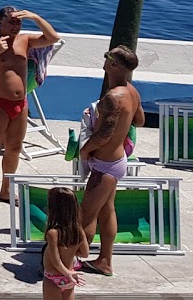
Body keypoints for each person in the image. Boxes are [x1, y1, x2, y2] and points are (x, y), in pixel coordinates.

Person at [0, 6, 60, 211]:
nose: (16, 25)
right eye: (11, 21)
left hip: (20, 103)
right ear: (1, 22)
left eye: (18, 21)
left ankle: (5, 191)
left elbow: (53, 37)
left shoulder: (26, 40)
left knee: (14, 149)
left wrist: (35, 16)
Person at [78, 45, 142, 278]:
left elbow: (103, 134)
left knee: (86, 214)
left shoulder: (112, 97)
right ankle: (104, 261)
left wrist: (85, 150)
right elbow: (140, 120)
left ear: (114, 65)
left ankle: (70, 260)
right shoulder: (131, 92)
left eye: (107, 56)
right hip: (118, 160)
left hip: (104, 165)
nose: (104, 60)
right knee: (106, 210)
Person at [42, 186, 87, 297]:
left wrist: (67, 273)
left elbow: (56, 261)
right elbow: (85, 253)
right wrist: (69, 252)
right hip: (69, 277)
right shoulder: (79, 231)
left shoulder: (53, 233)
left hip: (54, 276)